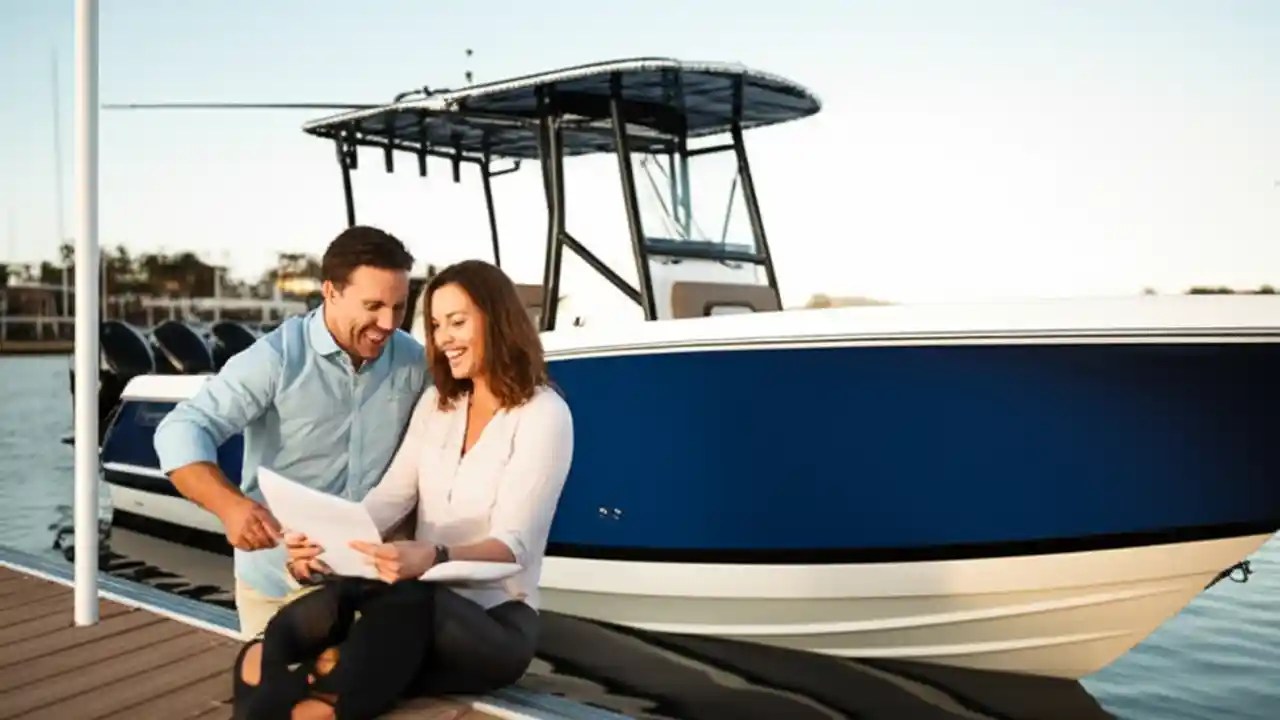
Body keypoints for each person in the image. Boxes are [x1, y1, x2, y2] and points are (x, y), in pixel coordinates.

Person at [233, 259, 574, 720]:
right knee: (278, 637)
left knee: (403, 604)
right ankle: (307, 686)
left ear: (499, 319)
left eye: (457, 322)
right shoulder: (439, 401)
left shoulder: (543, 414)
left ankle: (326, 695)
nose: (445, 338)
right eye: (435, 325)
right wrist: (327, 544)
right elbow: (391, 496)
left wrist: (433, 556)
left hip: (492, 622)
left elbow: (516, 547)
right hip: (401, 600)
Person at [153, 225, 427, 639]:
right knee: (274, 697)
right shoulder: (276, 357)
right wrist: (230, 508)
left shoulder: (413, 361)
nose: (388, 323)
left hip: (369, 583)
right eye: (373, 306)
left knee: (359, 698)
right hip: (278, 584)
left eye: (399, 307)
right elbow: (182, 428)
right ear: (330, 292)